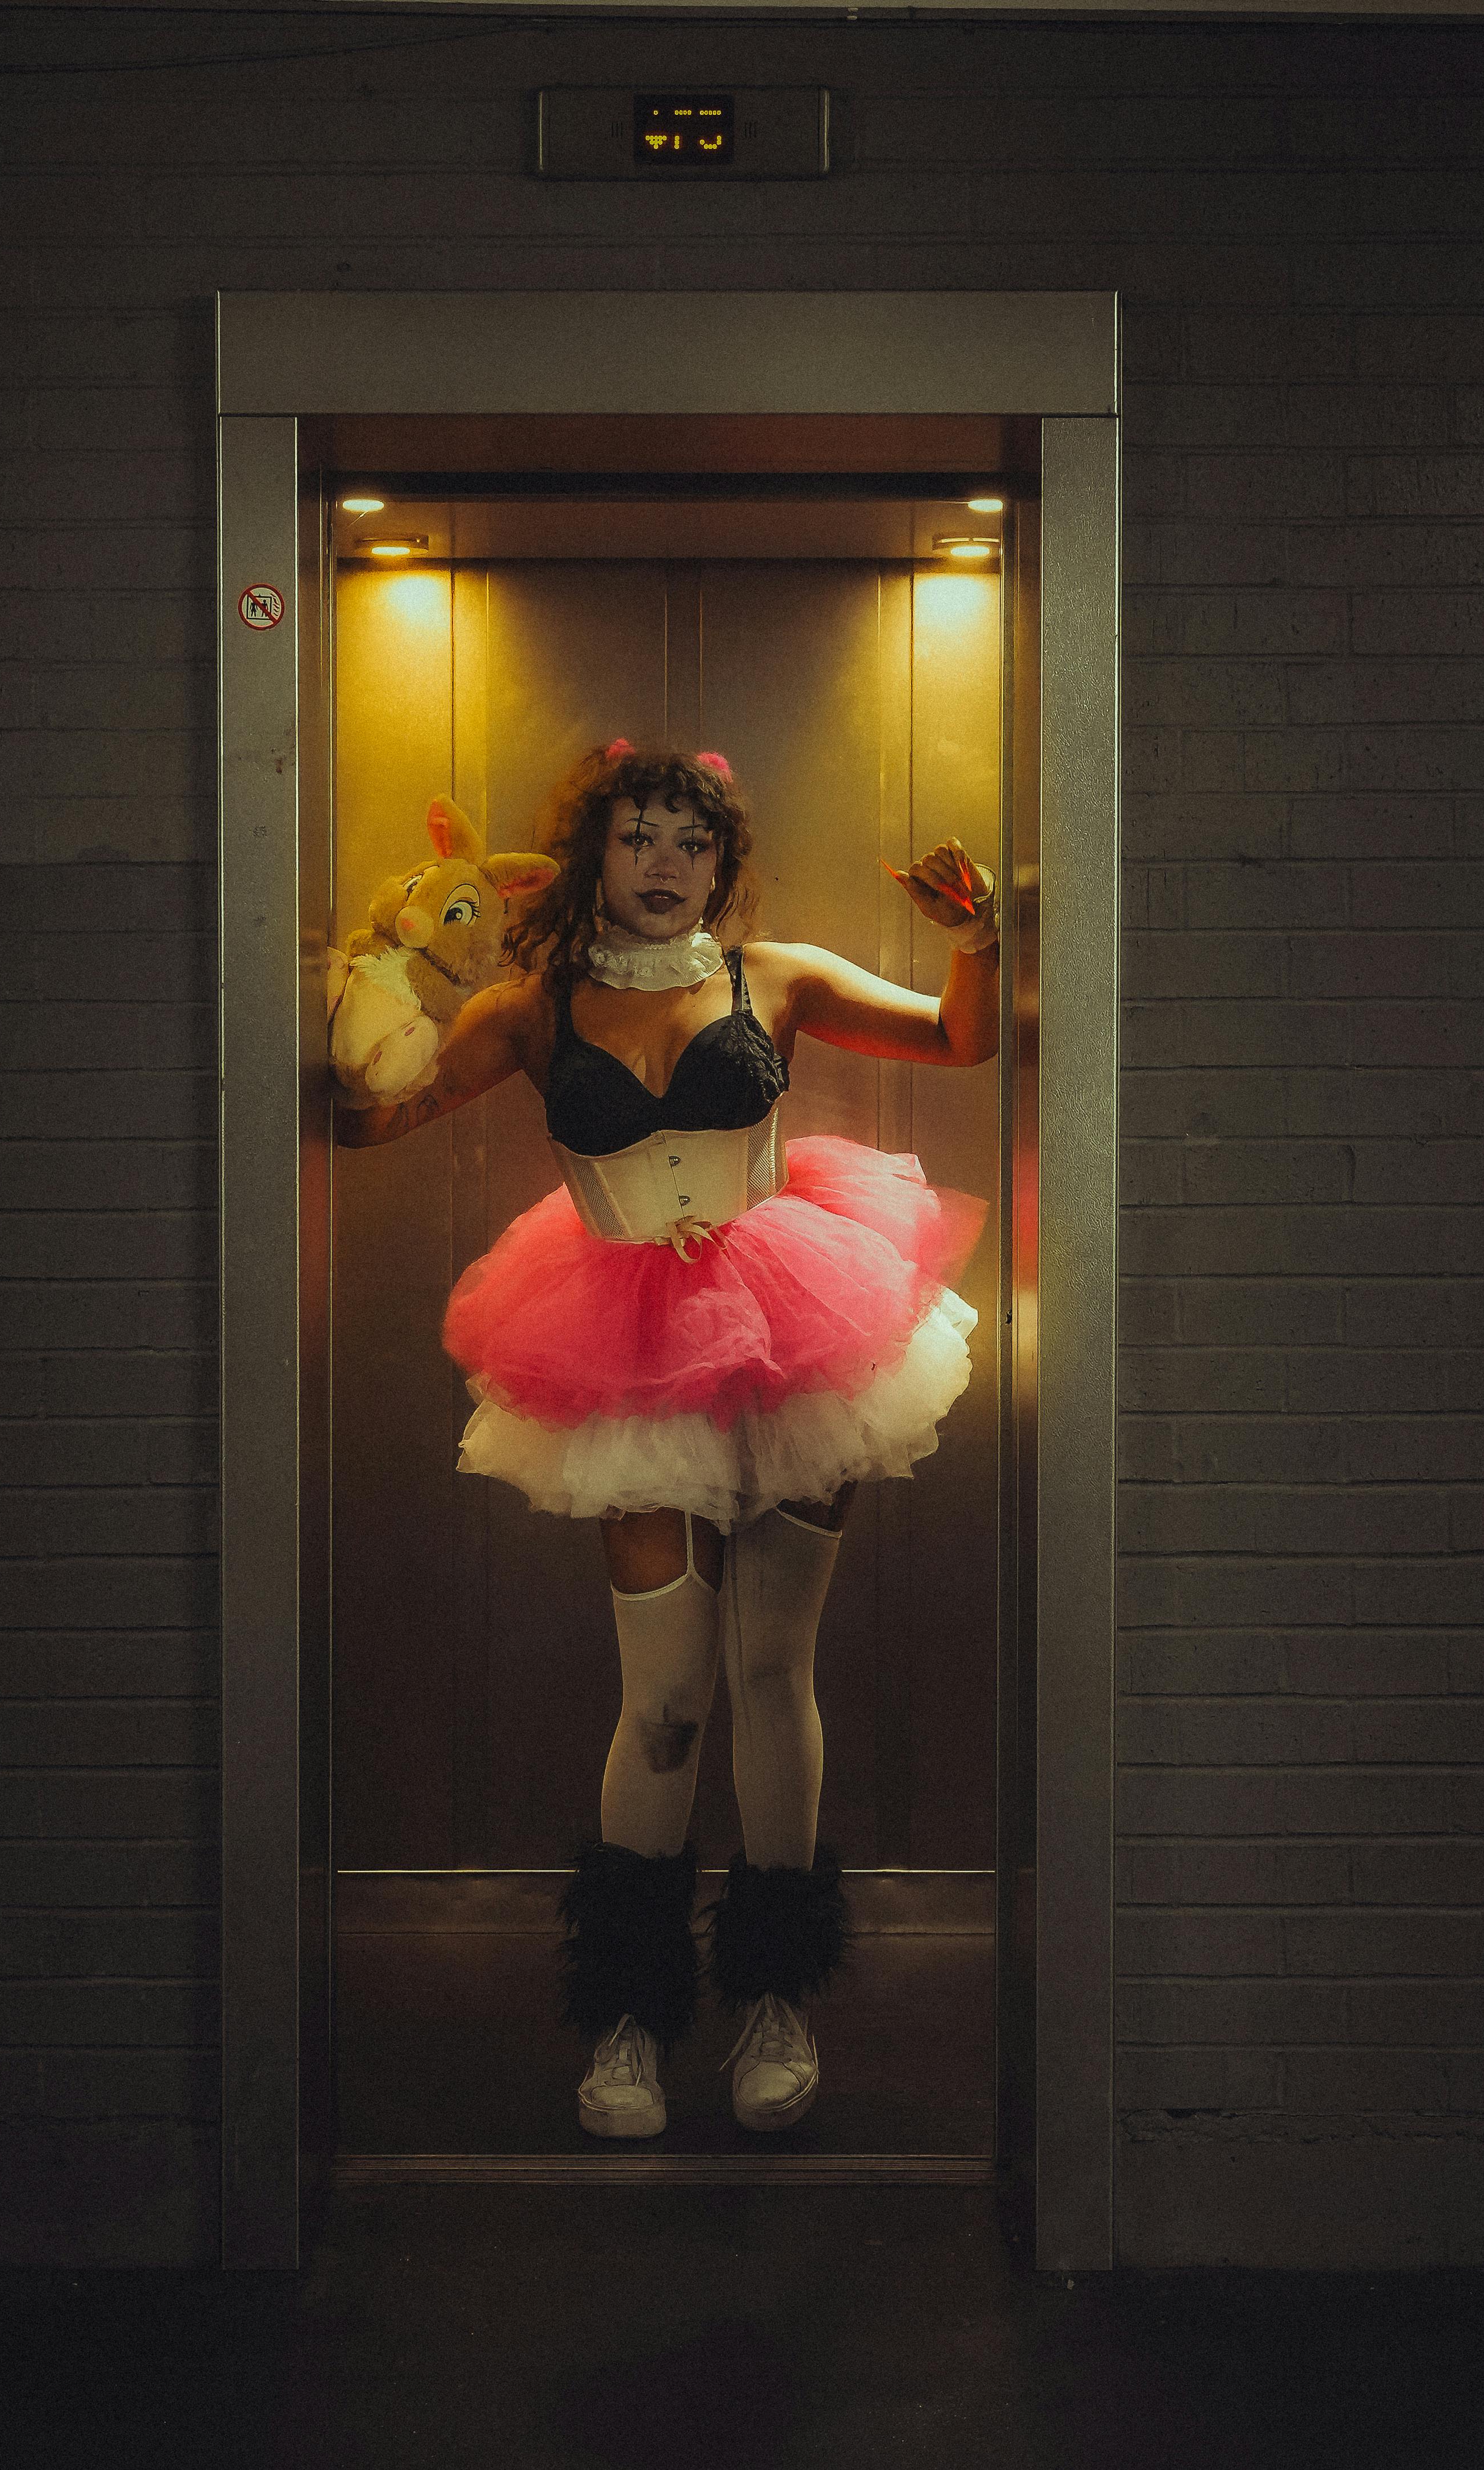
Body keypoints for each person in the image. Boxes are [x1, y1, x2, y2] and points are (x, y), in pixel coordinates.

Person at [337, 742, 999, 2140]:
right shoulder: (532, 1007)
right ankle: (629, 2015)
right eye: (637, 838)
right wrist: (377, 991)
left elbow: (960, 1040)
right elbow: (373, 1116)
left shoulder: (787, 975)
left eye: (689, 843)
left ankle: (774, 1998)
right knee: (666, 1701)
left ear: (720, 862)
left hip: (793, 1332)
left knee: (772, 1670)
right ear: (594, 857)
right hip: (624, 1353)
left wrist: (983, 939)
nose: (662, 864)